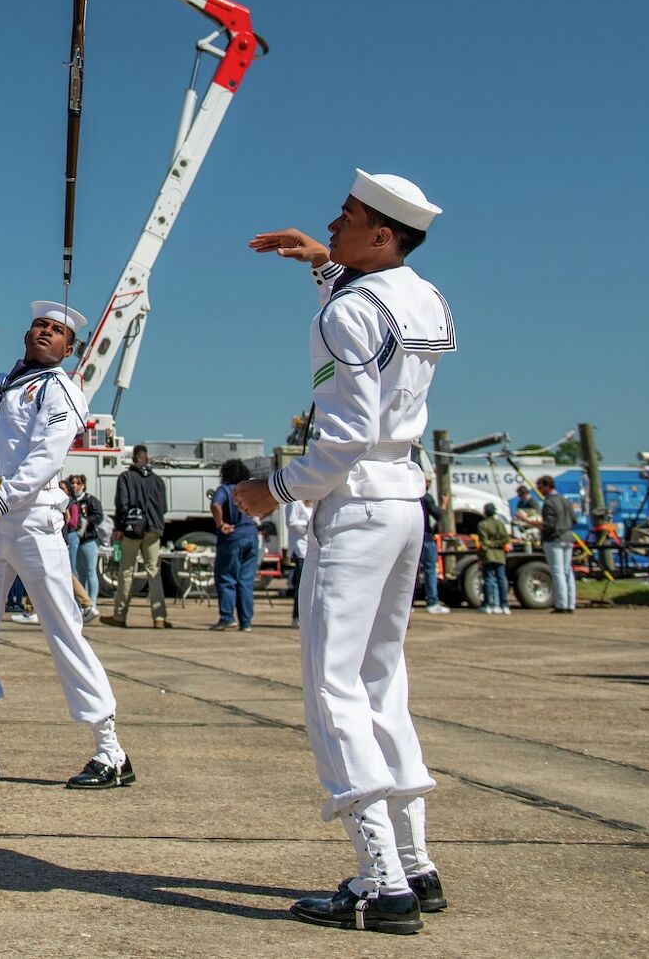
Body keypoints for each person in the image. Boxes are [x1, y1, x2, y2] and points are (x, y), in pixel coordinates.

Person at [236, 168, 454, 934]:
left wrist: (279, 487)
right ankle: (415, 862)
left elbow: (346, 430)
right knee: (381, 680)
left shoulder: (346, 313)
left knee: (334, 689)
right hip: (405, 497)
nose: (332, 221)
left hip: (356, 500)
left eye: (346, 216)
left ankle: (378, 880)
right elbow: (381, 324)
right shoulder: (426, 296)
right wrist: (324, 264)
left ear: (382, 235)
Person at [0, 302, 134, 791]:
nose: (45, 332)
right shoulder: (1, 383)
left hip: (30, 514)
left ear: (69, 348)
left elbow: (45, 458)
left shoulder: (63, 388)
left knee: (63, 628)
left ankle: (111, 750)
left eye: (57, 330)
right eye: (40, 324)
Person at [104, 446, 171, 630]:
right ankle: (159, 617)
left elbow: (122, 503)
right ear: (147, 459)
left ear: (134, 459)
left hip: (132, 529)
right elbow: (163, 507)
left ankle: (120, 615)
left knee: (126, 571)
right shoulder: (158, 481)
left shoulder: (126, 477)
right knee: (153, 572)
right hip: (154, 529)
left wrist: (119, 526)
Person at [210, 459, 261, 632]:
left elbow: (216, 504)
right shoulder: (248, 490)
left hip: (232, 538)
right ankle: (246, 622)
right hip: (251, 536)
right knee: (246, 581)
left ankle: (227, 617)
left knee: (226, 578)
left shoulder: (225, 490)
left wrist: (220, 524)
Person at [66, 475, 107, 620]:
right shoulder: (69, 500)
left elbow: (98, 516)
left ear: (84, 485)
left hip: (88, 540)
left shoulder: (90, 499)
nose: (76, 486)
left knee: (91, 571)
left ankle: (92, 603)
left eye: (78, 483)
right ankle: (81, 604)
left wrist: (86, 521)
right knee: (77, 573)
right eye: (73, 483)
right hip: (74, 540)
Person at [537, 474, 576, 613]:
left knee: (557, 571)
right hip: (568, 537)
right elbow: (574, 519)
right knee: (567, 571)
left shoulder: (549, 502)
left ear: (547, 486)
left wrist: (531, 522)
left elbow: (549, 525)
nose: (539, 489)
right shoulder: (565, 500)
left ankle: (561, 604)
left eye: (540, 486)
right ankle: (570, 603)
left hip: (554, 539)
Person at [417, 491, 451, 614]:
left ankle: (408, 604)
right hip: (426, 538)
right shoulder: (425, 497)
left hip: (410, 535)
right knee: (430, 570)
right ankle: (432, 602)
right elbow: (439, 515)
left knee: (410, 571)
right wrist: (444, 504)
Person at [476, 502, 511, 615]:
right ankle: (504, 604)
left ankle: (488, 604)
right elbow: (505, 539)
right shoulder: (500, 524)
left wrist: (482, 555)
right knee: (501, 580)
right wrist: (497, 544)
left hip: (488, 555)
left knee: (489, 580)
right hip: (500, 555)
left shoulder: (482, 524)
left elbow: (483, 544)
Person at [285, 498, 313, 628]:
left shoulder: (313, 502)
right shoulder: (295, 502)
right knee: (302, 584)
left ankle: (308, 615)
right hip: (300, 548)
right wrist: (307, 524)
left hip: (311, 548)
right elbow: (291, 522)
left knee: (311, 585)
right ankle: (297, 616)